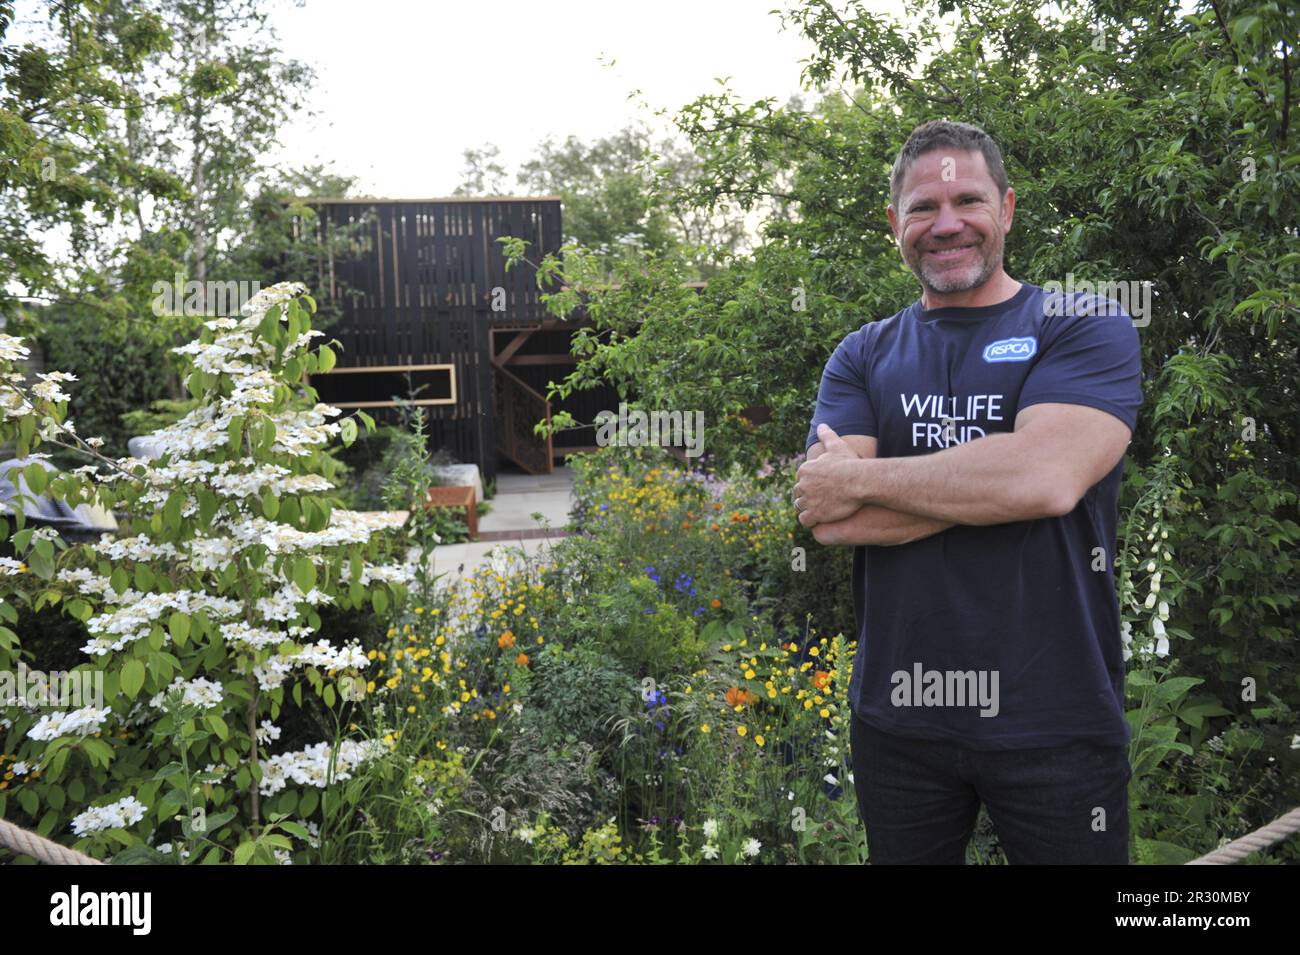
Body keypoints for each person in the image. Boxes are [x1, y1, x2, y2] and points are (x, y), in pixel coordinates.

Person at [794, 119, 1143, 864]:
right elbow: (828, 518)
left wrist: (862, 477)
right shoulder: (862, 354)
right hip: (900, 720)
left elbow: (1045, 479)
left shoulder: (1082, 324)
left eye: (968, 200)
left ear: (1007, 209)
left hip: (1057, 718)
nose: (946, 223)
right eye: (923, 207)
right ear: (895, 224)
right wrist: (993, 479)